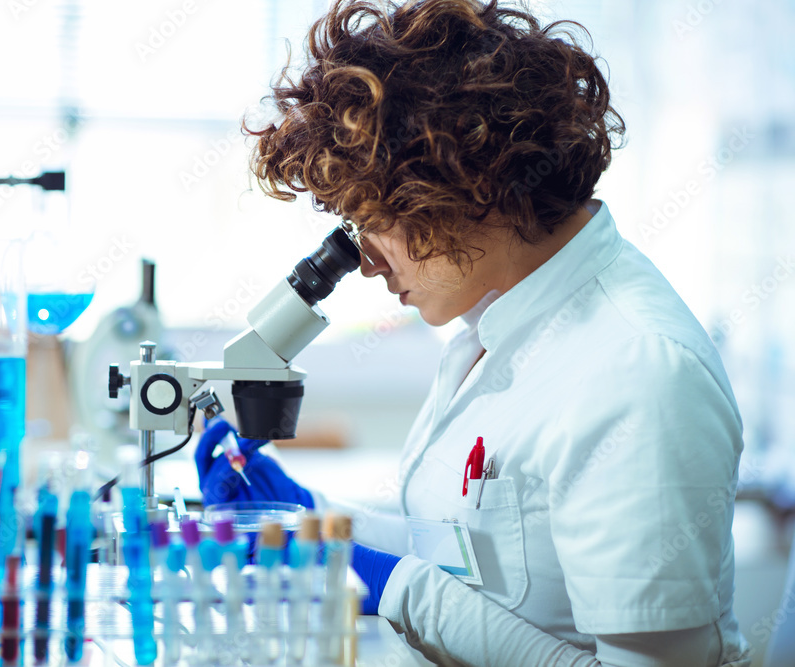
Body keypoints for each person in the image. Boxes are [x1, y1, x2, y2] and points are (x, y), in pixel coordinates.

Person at [194, 1, 752, 664]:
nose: (366, 263)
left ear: (465, 184)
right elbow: (475, 561)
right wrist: (312, 519)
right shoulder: (494, 326)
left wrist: (393, 587)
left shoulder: (638, 369)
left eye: (374, 223)